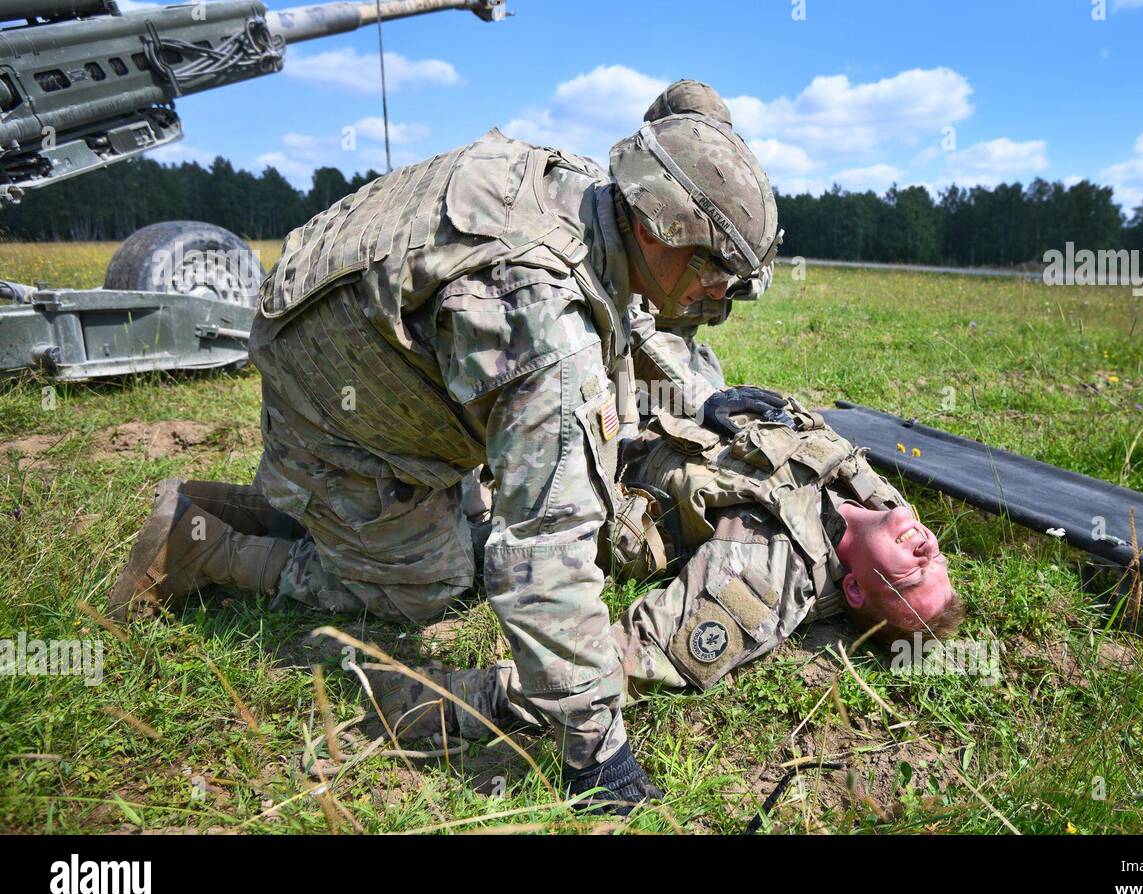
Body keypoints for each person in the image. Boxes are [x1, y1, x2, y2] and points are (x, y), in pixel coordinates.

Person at [108, 103, 783, 813]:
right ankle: (203, 546)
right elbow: (544, 552)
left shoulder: (591, 200)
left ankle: (316, 512)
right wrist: (596, 754)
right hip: (332, 413)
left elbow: (624, 306)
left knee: (464, 526)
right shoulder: (548, 332)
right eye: (716, 273)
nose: (721, 299)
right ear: (657, 226)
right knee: (429, 586)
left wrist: (701, 396)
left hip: (361, 355)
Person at [374, 399, 962, 763]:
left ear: (855, 590)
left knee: (421, 560)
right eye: (936, 563)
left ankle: (288, 549)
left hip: (579, 462)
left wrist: (448, 699)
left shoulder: (768, 574)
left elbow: (638, 656)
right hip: (633, 407)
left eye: (913, 575)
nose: (929, 548)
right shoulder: (878, 498)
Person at [637, 79, 773, 392]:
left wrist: (726, 277)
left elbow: (762, 273)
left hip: (686, 352)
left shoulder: (732, 203)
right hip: (632, 349)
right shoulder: (638, 197)